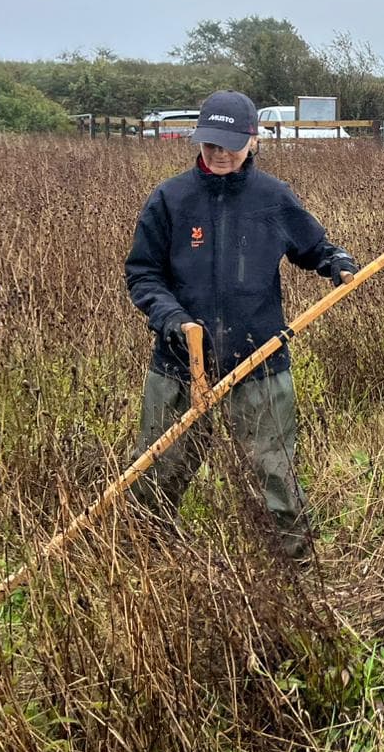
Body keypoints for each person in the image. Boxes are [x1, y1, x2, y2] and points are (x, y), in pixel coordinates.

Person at [124, 90, 359, 559]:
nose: (220, 153)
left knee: (275, 472)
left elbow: (314, 248)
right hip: (178, 365)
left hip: (259, 360)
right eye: (211, 142)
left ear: (252, 139)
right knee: (159, 470)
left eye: (230, 142)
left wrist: (337, 262)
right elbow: (143, 273)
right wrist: (172, 319)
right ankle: (144, 564)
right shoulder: (171, 199)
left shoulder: (273, 198)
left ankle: (296, 569)